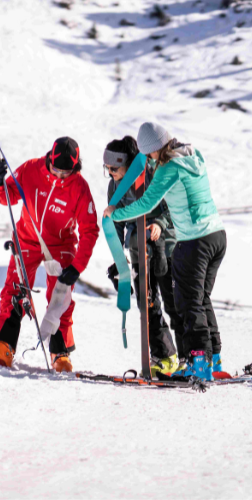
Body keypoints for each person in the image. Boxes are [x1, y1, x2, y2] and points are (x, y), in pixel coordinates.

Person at [103, 123, 226, 381]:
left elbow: (149, 203)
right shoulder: (193, 155)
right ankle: (211, 360)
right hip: (216, 234)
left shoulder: (165, 169)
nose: (148, 160)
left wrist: (120, 213)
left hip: (192, 241)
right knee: (199, 300)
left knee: (187, 303)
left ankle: (198, 365)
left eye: (148, 154)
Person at [0, 137, 100, 373]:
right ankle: (3, 345)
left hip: (61, 245)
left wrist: (77, 267)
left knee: (60, 298)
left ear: (75, 167)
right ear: (49, 159)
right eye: (57, 170)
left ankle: (60, 353)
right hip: (28, 239)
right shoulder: (31, 169)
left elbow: (90, 229)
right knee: (14, 289)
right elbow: (6, 196)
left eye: (66, 172)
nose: (61, 176)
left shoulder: (80, 187)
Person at [103, 136, 184, 378]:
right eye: (106, 168)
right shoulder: (114, 187)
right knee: (147, 305)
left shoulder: (151, 174)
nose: (110, 173)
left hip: (166, 246)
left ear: (128, 165)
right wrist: (120, 260)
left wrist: (159, 223)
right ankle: (164, 357)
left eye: (114, 168)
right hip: (139, 250)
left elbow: (171, 204)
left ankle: (190, 357)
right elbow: (115, 221)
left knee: (173, 303)